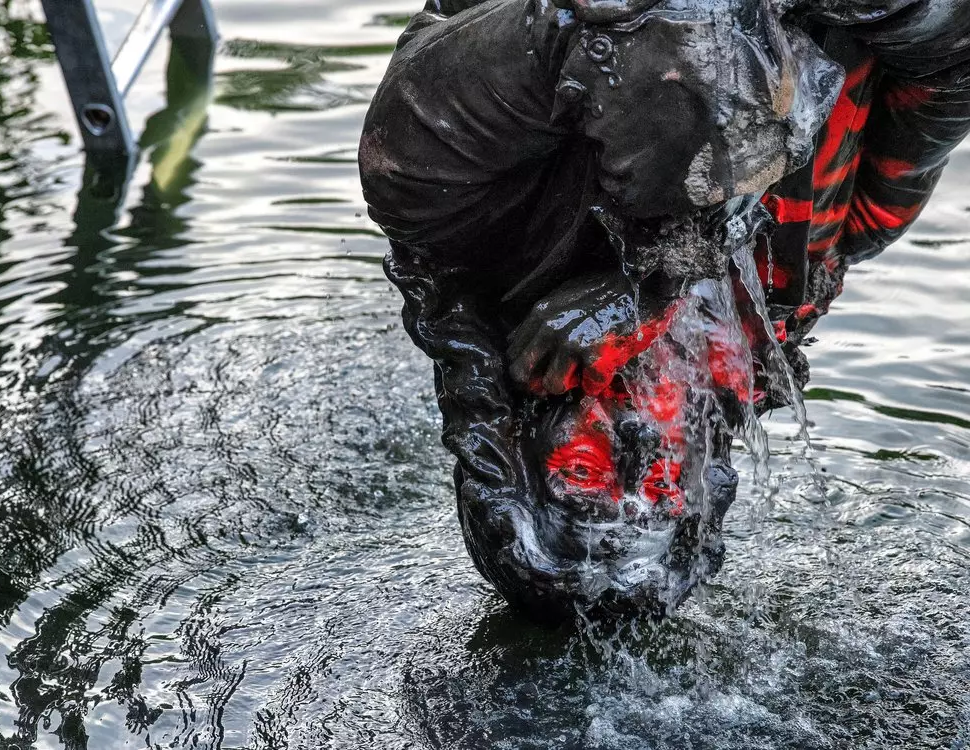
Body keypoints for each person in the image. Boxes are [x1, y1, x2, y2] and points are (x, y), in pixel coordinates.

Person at [358, 0, 970, 621]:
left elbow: (665, 25)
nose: (641, 447)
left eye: (586, 471)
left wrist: (657, 274)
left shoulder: (426, 186)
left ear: (521, 429)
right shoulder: (813, 262)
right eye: (660, 487)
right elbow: (956, 53)